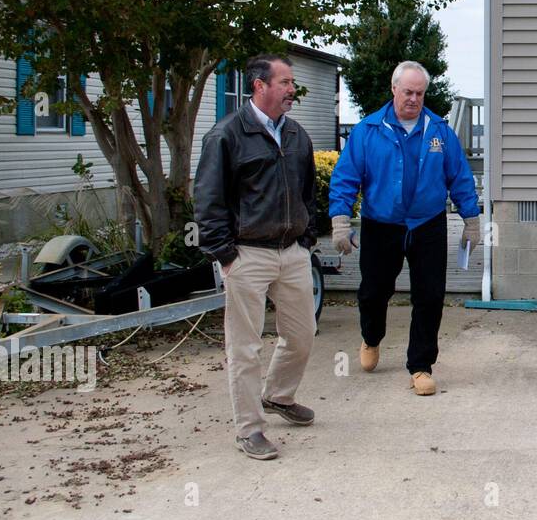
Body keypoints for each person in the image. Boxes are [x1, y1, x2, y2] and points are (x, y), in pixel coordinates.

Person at [328, 60, 480, 396]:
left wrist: (471, 221)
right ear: (394, 90)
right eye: (407, 91)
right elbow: (345, 177)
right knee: (373, 292)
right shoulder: (368, 131)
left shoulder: (439, 131)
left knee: (430, 295)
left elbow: (460, 177)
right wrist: (340, 220)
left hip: (428, 225)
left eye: (420, 93)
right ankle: (371, 337)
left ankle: (421, 366)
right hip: (382, 224)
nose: (413, 98)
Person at [194, 54, 319, 460]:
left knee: (301, 335)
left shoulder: (297, 135)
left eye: (292, 83)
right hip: (247, 254)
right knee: (245, 347)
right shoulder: (226, 135)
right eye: (284, 82)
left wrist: (307, 238)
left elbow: (307, 192)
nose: (291, 90)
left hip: (292, 253)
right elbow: (208, 201)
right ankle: (249, 430)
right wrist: (225, 256)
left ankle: (279, 395)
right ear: (259, 87)